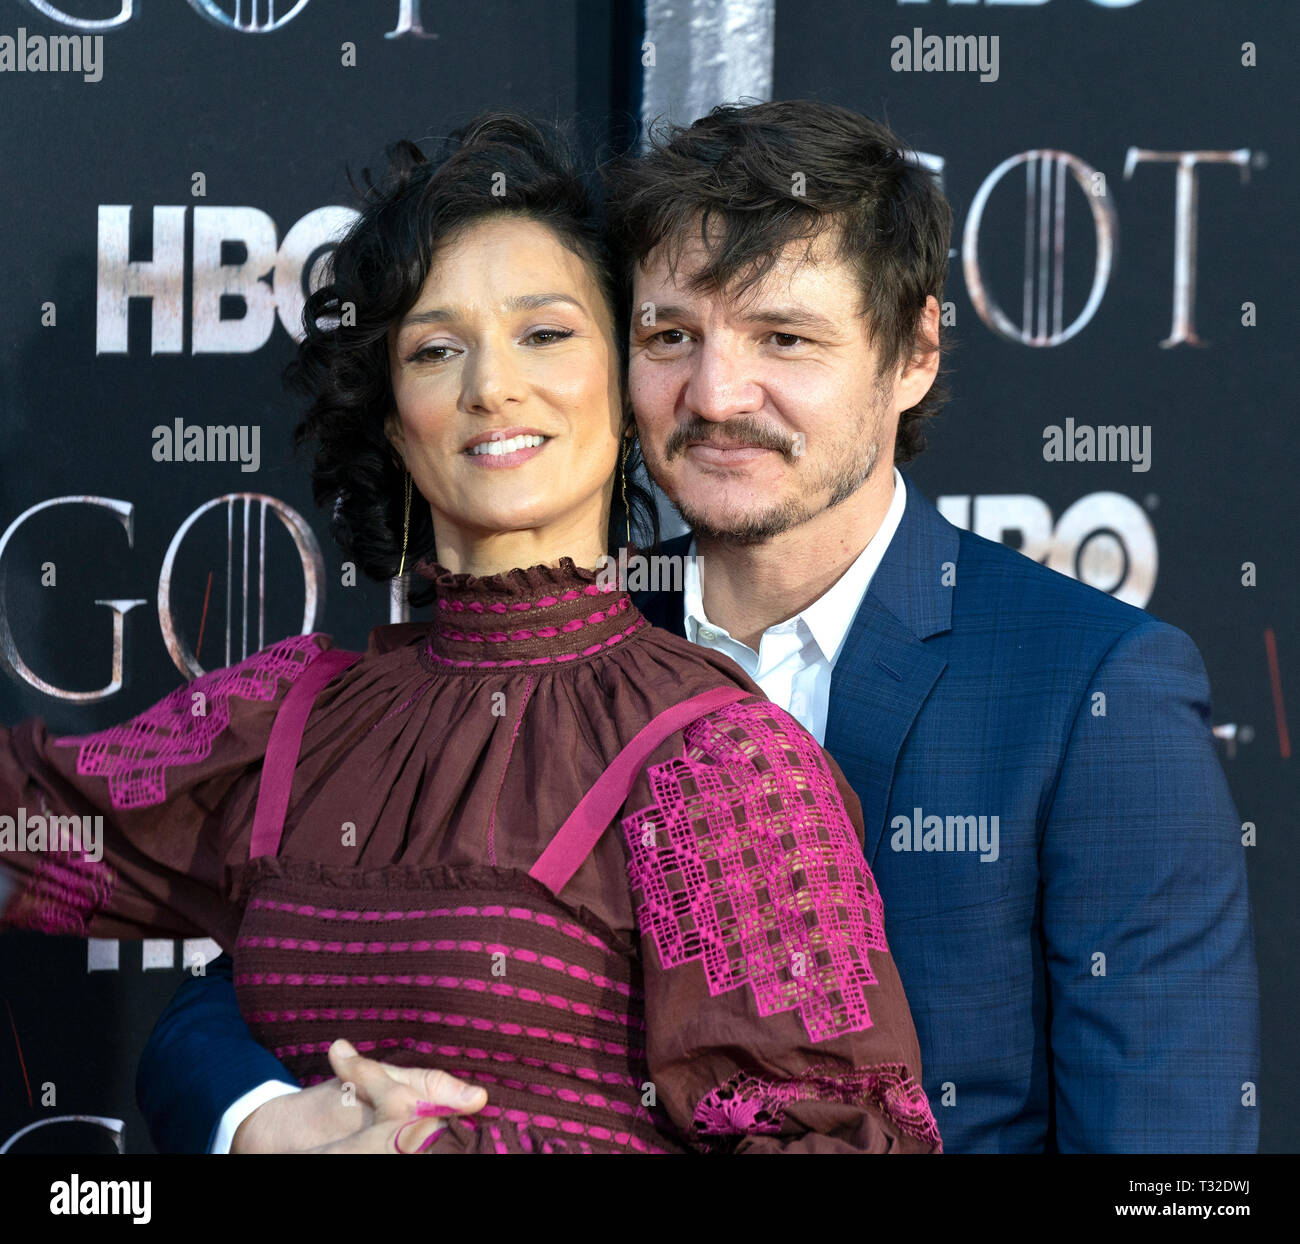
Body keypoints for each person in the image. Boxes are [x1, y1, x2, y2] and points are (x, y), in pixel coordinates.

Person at [135, 100, 1259, 1156]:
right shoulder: (530, 640)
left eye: (784, 338)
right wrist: (268, 1119)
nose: (717, 394)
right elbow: (233, 996)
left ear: (912, 354)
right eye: (672, 335)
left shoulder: (1093, 694)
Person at [0, 112, 941, 1156]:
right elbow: (26, 838)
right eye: (436, 348)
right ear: (395, 417)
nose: (491, 384)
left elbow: (836, 1140)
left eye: (545, 332)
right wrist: (265, 1123)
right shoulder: (291, 718)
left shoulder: (719, 759)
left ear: (628, 388)